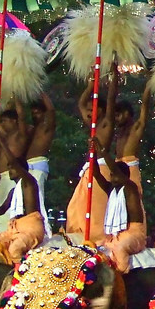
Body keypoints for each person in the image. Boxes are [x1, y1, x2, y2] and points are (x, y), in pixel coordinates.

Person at [67, 79, 116, 245]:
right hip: (90, 168)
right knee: (76, 207)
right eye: (88, 111)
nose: (87, 113)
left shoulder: (106, 123)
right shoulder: (92, 124)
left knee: (95, 209)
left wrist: (114, 76)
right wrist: (90, 84)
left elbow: (111, 99)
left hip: (101, 167)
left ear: (100, 110)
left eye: (91, 110)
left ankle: (98, 239)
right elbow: (81, 104)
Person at [91, 138, 147, 273]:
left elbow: (116, 170)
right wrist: (93, 154)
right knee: (96, 248)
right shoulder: (111, 189)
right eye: (111, 175)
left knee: (119, 247)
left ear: (124, 176)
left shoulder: (130, 187)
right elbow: (96, 174)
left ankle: (120, 275)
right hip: (116, 235)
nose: (112, 178)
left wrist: (104, 152)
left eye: (115, 175)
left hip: (134, 234)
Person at [0, 152, 44, 265]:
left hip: (31, 229)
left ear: (20, 169)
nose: (10, 171)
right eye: (9, 168)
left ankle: (20, 275)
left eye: (13, 168)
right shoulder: (13, 191)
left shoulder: (29, 183)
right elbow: (1, 210)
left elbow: (16, 163)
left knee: (15, 249)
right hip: (15, 229)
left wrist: (0, 138)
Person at [112, 78, 152, 224]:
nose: (116, 119)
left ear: (128, 114)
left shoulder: (136, 128)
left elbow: (145, 106)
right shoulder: (118, 132)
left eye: (119, 115)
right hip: (117, 170)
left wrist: (149, 84)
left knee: (133, 201)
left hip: (130, 168)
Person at [23, 93, 56, 238]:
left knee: (38, 198)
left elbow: (51, 111)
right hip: (28, 166)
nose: (35, 116)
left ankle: (45, 232)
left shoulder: (47, 127)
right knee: (28, 200)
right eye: (33, 113)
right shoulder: (33, 129)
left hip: (38, 164)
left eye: (38, 113)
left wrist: (41, 92)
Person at [0, 108, 29, 233]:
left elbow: (22, 116)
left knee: (9, 215)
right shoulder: (4, 136)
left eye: (4, 121)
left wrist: (18, 96)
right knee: (0, 218)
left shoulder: (20, 135)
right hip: (0, 179)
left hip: (11, 178)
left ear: (14, 121)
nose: (1, 124)